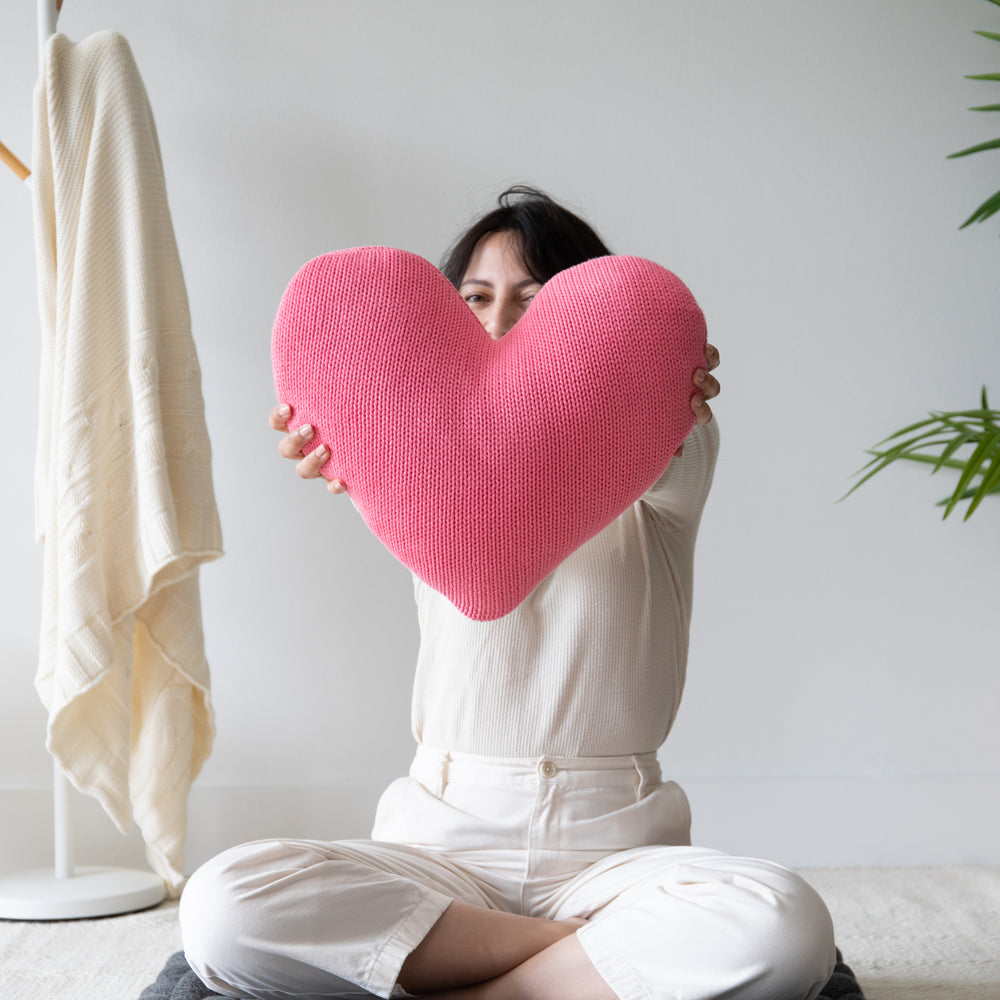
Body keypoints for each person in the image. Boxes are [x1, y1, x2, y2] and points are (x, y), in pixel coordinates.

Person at [179, 186, 836, 1000]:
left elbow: (674, 448)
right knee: (221, 908)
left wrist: (663, 389)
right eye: (477, 299)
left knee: (783, 926)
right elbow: (388, 431)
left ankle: (480, 985)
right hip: (439, 846)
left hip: (618, 850)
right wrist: (343, 429)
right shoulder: (424, 460)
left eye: (533, 299)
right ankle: (581, 959)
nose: (497, 322)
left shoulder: (665, 463)